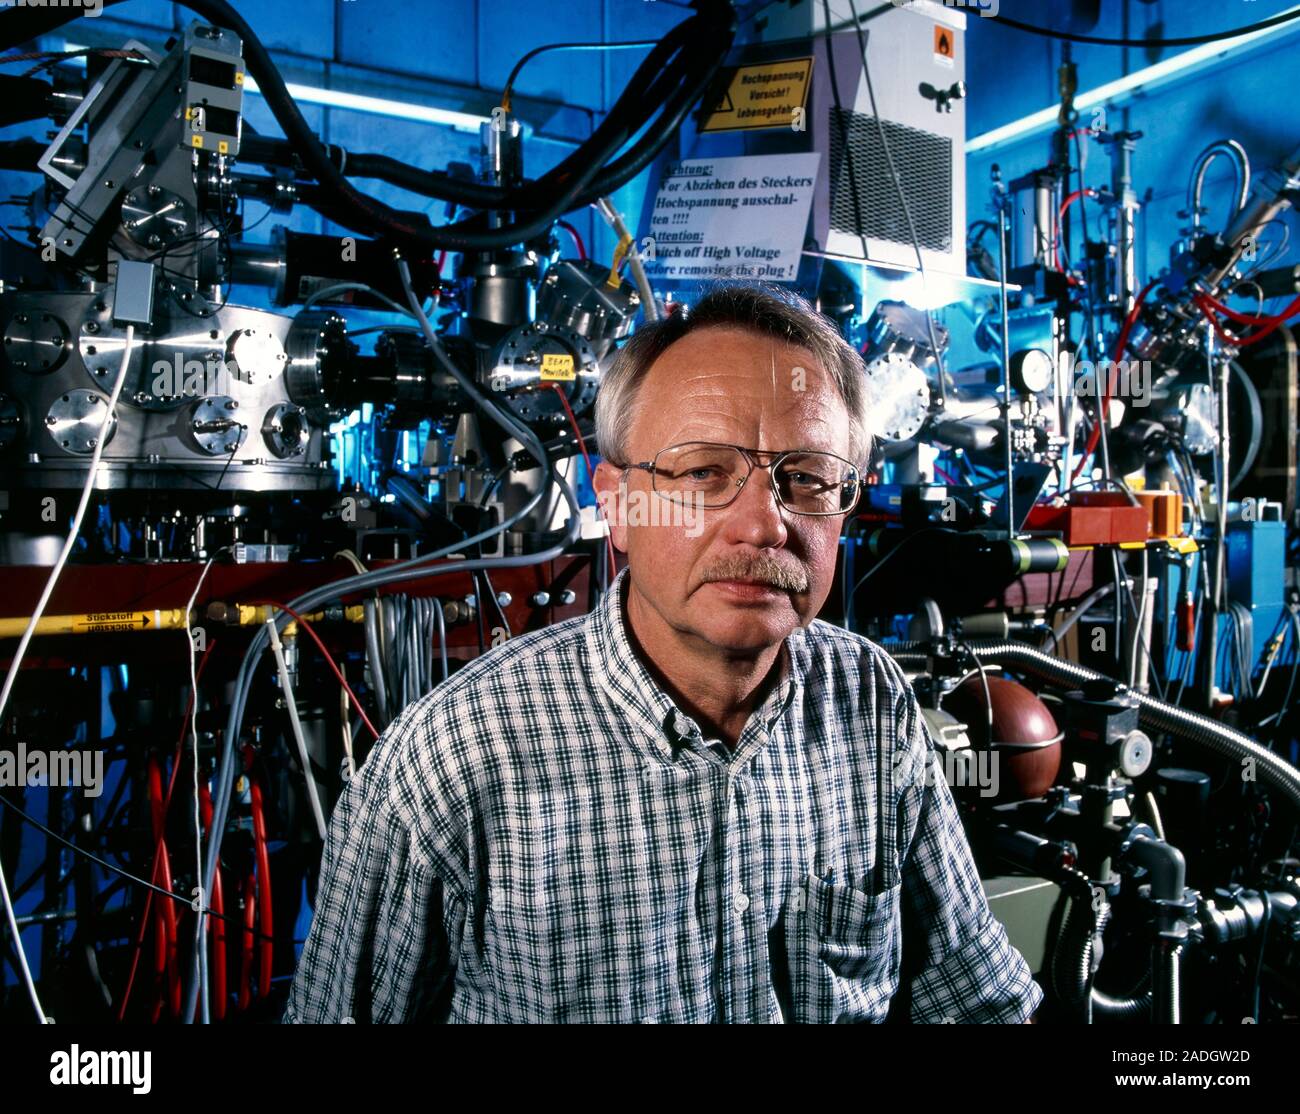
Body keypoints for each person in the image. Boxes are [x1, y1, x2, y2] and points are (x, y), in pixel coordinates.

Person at [282, 283, 1043, 1023]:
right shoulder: (452, 762)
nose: (764, 526)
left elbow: (974, 997)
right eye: (705, 472)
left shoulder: (868, 699)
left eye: (808, 478)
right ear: (614, 503)